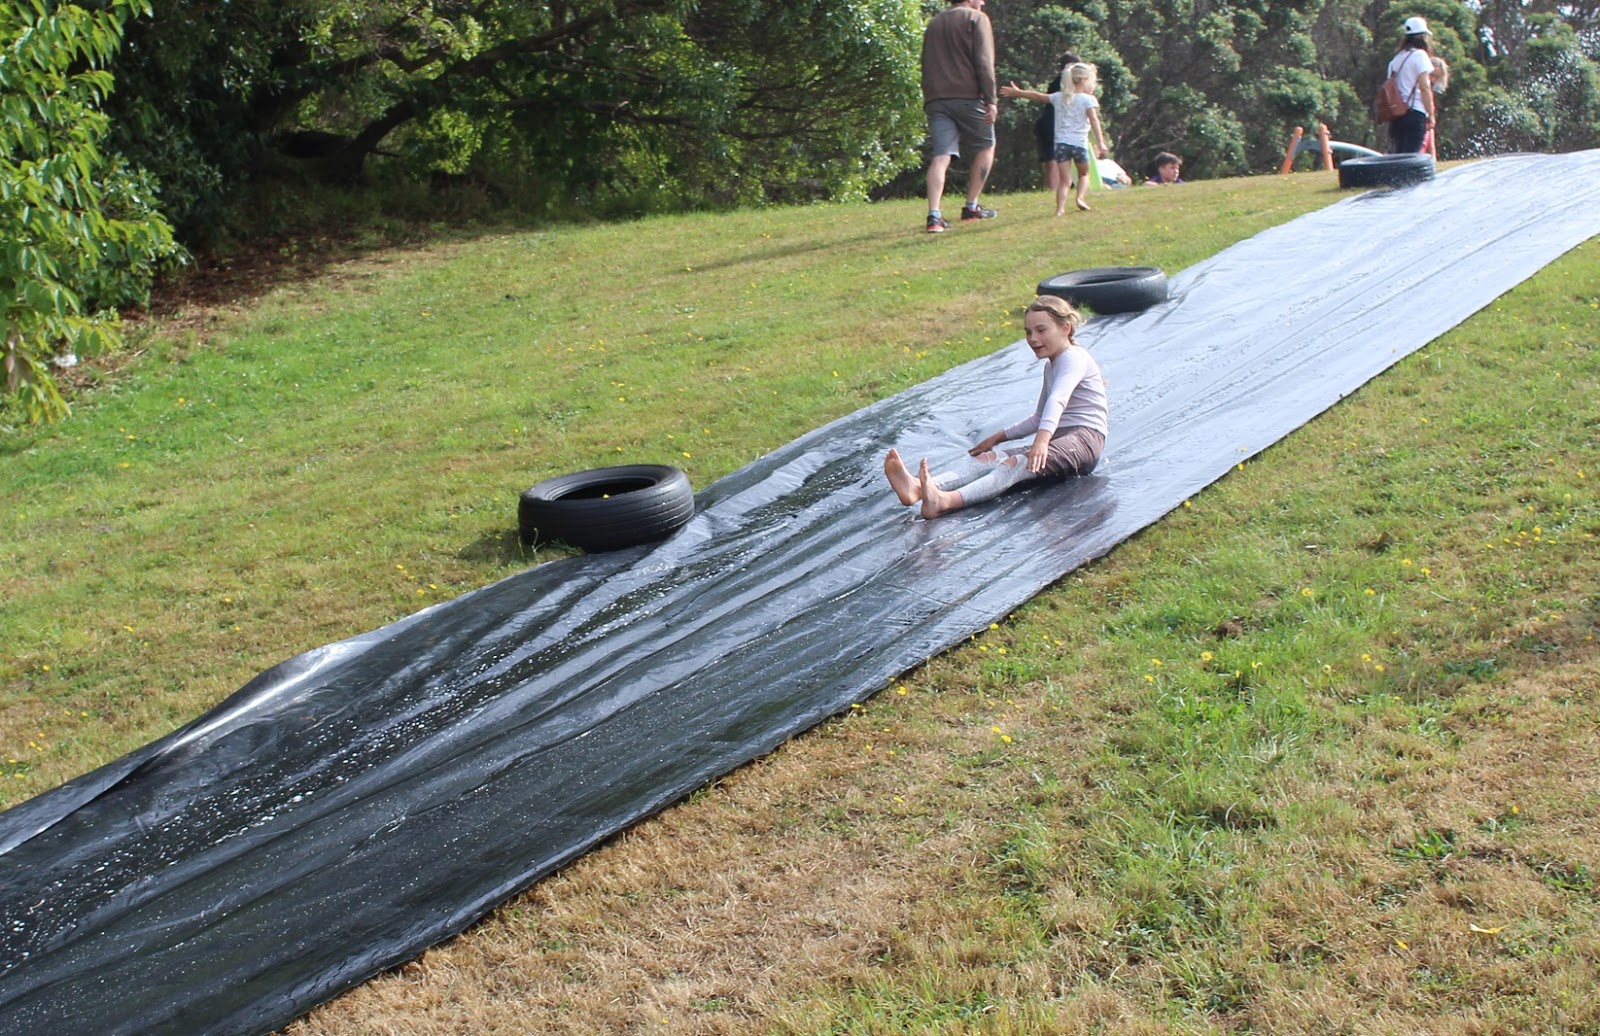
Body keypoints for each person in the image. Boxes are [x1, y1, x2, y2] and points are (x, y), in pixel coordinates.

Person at [884, 295, 1108, 519]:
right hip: (1061, 438)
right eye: (1028, 332)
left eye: (1041, 330)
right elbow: (1040, 416)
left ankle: (945, 501)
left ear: (1065, 328)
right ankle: (918, 488)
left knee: (1015, 463)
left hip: (1084, 440)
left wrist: (1041, 442)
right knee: (987, 459)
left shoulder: (1073, 358)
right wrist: (997, 438)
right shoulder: (1052, 365)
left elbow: (1057, 400)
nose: (1033, 338)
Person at [920, 0, 999, 233]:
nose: (982, 2)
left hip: (936, 98)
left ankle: (934, 216)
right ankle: (971, 207)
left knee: (941, 155)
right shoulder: (976, 18)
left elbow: (925, 60)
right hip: (967, 95)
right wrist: (991, 100)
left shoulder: (934, 22)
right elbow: (984, 62)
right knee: (986, 145)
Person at [1001, 62, 1110, 214]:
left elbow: (1038, 96)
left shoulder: (1059, 97)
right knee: (1084, 174)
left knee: (1065, 181)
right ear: (1084, 81)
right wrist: (1100, 142)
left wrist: (1018, 92)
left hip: (1061, 145)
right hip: (1079, 144)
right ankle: (1080, 198)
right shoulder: (1088, 99)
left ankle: (1060, 209)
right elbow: (1094, 120)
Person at [1031, 51, 1082, 195]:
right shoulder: (1067, 81)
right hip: (1055, 123)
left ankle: (1050, 188)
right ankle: (1053, 189)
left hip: (1046, 121)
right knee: (1054, 158)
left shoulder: (1056, 81)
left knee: (1049, 158)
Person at [1385, 16, 1436, 155]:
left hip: (1396, 116)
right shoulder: (1420, 55)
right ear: (1423, 36)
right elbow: (1425, 87)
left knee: (1398, 157)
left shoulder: (1395, 59)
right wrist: (1430, 114)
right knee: (1412, 157)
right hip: (1415, 113)